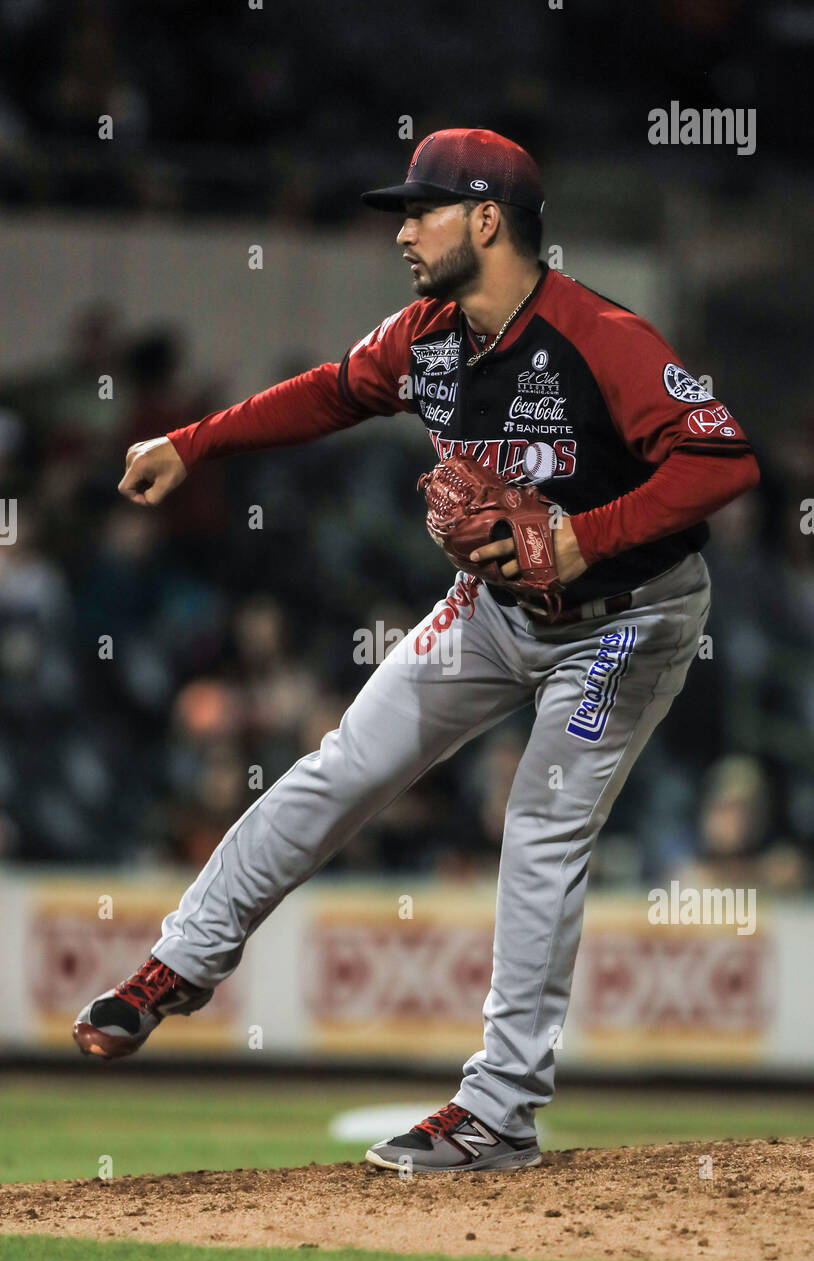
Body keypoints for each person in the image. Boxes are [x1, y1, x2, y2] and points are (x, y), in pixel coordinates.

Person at [73, 129, 759, 1172]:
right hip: (492, 608)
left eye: (419, 211)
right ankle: (177, 965)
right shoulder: (426, 336)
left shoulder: (600, 336)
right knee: (344, 764)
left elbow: (722, 460)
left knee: (538, 825)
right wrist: (193, 440)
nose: (400, 231)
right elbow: (328, 392)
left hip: (628, 620)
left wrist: (584, 536)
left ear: (487, 220)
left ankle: (498, 1113)